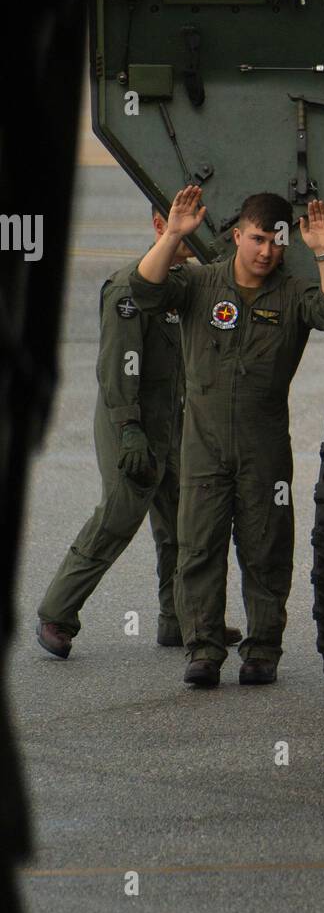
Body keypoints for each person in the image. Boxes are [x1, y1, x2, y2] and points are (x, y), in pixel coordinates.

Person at [128, 187, 324, 688]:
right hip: (202, 446)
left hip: (264, 447)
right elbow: (144, 290)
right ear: (236, 236)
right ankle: (203, 650)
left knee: (266, 547)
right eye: (257, 239)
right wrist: (176, 237)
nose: (267, 251)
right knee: (199, 548)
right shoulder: (201, 282)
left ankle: (262, 650)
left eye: (276, 242)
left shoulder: (292, 293)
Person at [36, 208, 241, 658]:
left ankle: (180, 620)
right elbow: (117, 368)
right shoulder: (130, 288)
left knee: (183, 524)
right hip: (128, 422)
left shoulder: (187, 284)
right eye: (186, 229)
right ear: (158, 226)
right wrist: (130, 428)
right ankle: (56, 613)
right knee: (118, 516)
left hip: (172, 424)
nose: (198, 238)